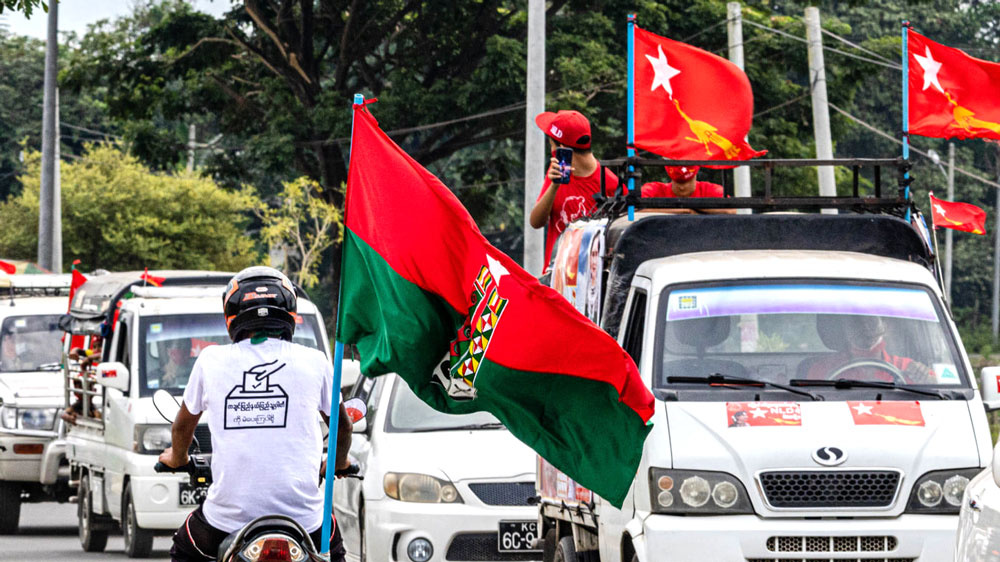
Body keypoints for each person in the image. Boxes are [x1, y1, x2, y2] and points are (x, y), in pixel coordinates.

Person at [158, 266, 353, 562]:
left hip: (225, 522)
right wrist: (337, 463)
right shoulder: (316, 361)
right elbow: (343, 427)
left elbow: (182, 429)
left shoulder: (211, 360)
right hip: (306, 522)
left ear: (231, 316)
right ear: (290, 313)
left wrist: (178, 458)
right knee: (334, 553)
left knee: (185, 549)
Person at [529, 110, 619, 269]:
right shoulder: (557, 172)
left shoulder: (611, 184)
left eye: (552, 146)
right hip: (558, 277)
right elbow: (536, 222)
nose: (552, 152)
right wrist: (553, 186)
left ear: (562, 149)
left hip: (592, 283)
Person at [805, 315, 933, 383]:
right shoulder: (822, 369)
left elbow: (945, 389)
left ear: (885, 326)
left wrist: (929, 379)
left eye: (871, 321)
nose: (865, 328)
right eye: (856, 322)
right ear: (844, 329)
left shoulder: (908, 368)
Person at [640, 165, 735, 214]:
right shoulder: (653, 190)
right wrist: (685, 211)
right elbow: (633, 209)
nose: (682, 187)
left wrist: (691, 205)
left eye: (688, 182)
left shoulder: (711, 190)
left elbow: (733, 211)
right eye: (678, 182)